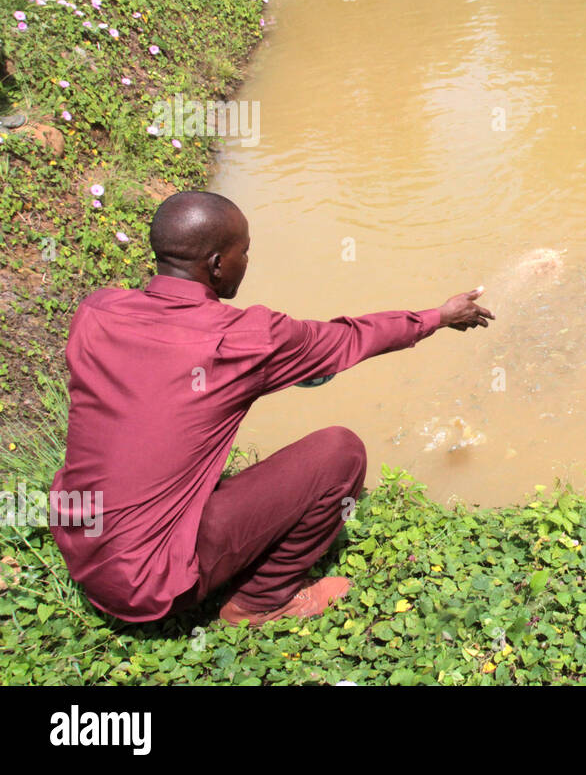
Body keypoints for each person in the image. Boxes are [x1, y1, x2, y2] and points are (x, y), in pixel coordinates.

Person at [49, 190, 494, 627]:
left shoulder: (97, 311)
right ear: (218, 264)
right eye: (245, 252)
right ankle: (259, 602)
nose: (247, 262)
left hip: (81, 549)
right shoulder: (245, 337)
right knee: (340, 452)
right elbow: (350, 338)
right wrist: (440, 316)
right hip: (148, 583)